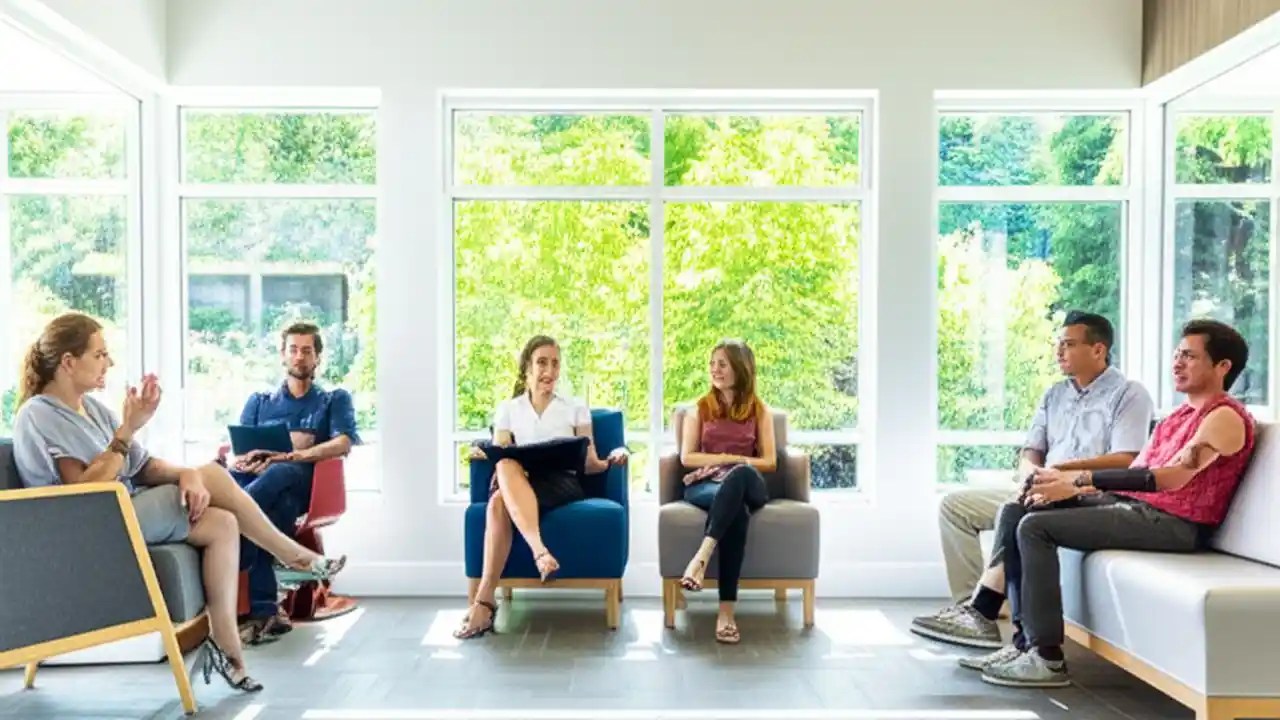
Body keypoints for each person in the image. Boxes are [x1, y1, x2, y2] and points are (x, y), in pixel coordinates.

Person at [10, 313, 346, 693]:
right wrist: (128, 428)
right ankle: (294, 556)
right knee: (216, 475)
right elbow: (84, 491)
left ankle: (229, 655)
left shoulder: (93, 409)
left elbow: (143, 466)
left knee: (222, 523)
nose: (110, 362)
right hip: (91, 527)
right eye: (100, 354)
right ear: (69, 362)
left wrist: (187, 474)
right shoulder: (39, 414)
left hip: (124, 513)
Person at [959, 319, 1254, 688]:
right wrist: (1064, 484)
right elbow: (1138, 470)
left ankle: (1046, 657)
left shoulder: (1224, 417)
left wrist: (1081, 480)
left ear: (1223, 366)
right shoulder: (1177, 417)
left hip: (1173, 523)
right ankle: (1022, 645)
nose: (1177, 363)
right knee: (1020, 508)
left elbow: (1170, 477)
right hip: (1139, 509)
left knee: (1036, 527)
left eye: (1189, 356)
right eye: (1177, 354)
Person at [912, 311, 1154, 648]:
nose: (1059, 352)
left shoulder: (1129, 394)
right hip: (1039, 486)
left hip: (1085, 492)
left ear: (1098, 350)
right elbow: (1031, 449)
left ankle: (982, 609)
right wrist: (1030, 474)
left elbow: (1127, 459)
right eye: (1058, 343)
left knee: (1018, 511)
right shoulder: (1055, 394)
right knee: (956, 507)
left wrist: (1061, 473)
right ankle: (970, 609)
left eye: (1069, 344)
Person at [453, 335, 628, 640]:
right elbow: (502, 453)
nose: (549, 369)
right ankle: (534, 557)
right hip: (523, 479)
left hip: (563, 481)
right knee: (503, 479)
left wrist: (614, 456)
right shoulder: (508, 409)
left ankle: (482, 604)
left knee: (499, 502)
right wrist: (485, 451)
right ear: (527, 370)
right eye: (542, 362)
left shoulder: (575, 408)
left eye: (555, 363)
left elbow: (589, 463)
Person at [230, 322, 361, 643]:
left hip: (308, 485)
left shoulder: (333, 399)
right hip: (267, 488)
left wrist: (292, 456)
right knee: (274, 509)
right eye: (293, 349)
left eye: (307, 350)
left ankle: (235, 529)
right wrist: (247, 460)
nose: (299, 357)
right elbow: (241, 450)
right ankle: (265, 610)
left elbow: (343, 443)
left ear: (317, 358)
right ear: (282, 355)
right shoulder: (260, 401)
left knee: (280, 475)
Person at [676, 339, 777, 645]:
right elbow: (687, 458)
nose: (715, 370)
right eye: (712, 364)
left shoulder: (760, 411)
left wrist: (737, 463)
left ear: (740, 368)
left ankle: (701, 556)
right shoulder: (699, 409)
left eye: (722, 364)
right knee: (738, 515)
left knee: (741, 474)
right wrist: (724, 459)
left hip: (748, 483)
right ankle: (726, 615)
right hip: (706, 485)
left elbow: (770, 461)